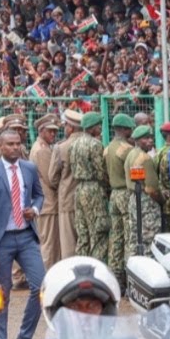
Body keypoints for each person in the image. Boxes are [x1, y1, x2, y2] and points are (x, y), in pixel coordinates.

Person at [0, 129, 46, 339]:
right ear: (1, 146)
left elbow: (39, 195)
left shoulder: (28, 168)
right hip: (2, 240)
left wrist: (35, 210)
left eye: (18, 143)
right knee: (3, 293)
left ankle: (24, 337)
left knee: (41, 286)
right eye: (10, 144)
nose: (15, 148)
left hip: (26, 235)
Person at [69, 112, 109, 263]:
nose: (100, 128)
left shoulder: (74, 144)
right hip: (94, 189)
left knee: (83, 232)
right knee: (98, 232)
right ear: (92, 128)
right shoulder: (95, 145)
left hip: (79, 189)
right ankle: (97, 268)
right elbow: (101, 172)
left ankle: (81, 264)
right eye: (98, 126)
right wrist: (107, 188)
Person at [47, 109, 82, 262]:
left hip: (67, 199)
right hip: (91, 200)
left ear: (71, 127)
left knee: (69, 244)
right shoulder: (94, 143)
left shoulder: (61, 147)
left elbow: (52, 178)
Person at [105, 114, 135, 281]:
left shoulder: (108, 148)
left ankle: (115, 274)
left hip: (114, 194)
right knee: (129, 234)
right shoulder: (127, 149)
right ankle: (129, 274)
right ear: (124, 129)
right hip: (125, 193)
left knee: (115, 236)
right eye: (129, 128)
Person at [30, 114, 62, 270]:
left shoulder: (40, 147)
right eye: (50, 131)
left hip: (44, 203)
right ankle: (46, 277)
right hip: (48, 203)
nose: (53, 134)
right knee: (49, 245)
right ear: (41, 130)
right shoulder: (43, 151)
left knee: (47, 242)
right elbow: (51, 179)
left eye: (55, 131)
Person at [124, 124, 162, 253]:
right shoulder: (145, 158)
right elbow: (152, 189)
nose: (150, 140)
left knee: (135, 238)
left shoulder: (131, 154)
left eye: (151, 137)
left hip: (134, 199)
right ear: (137, 141)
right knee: (149, 239)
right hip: (146, 202)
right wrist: (162, 199)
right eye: (146, 138)